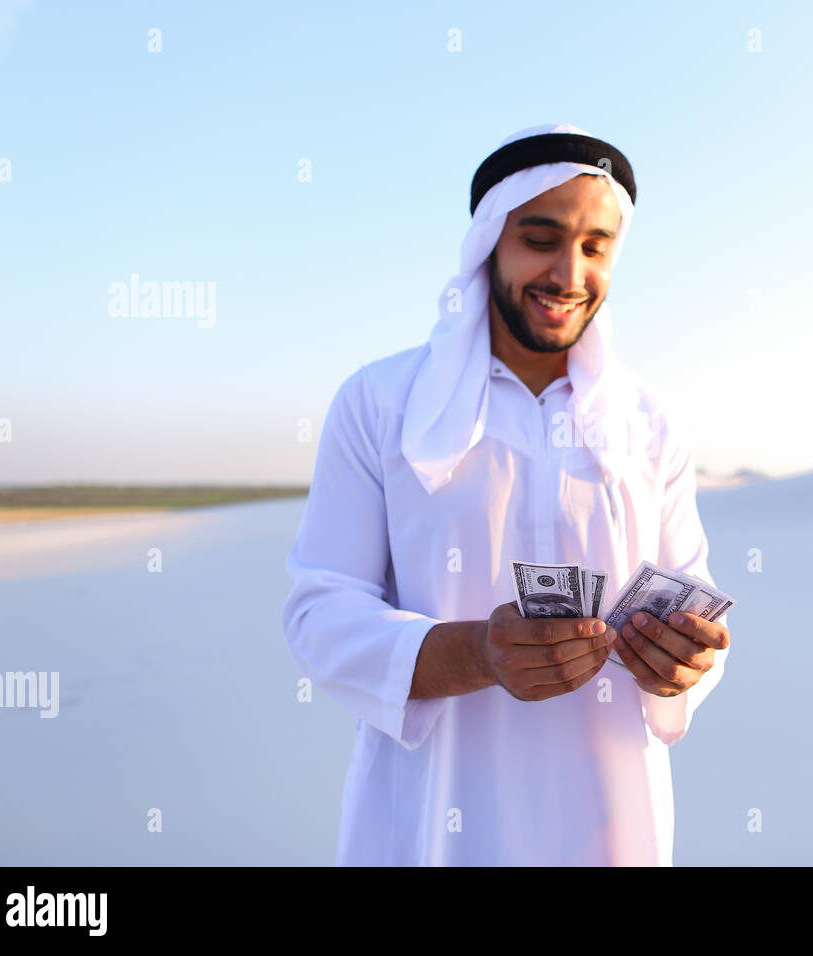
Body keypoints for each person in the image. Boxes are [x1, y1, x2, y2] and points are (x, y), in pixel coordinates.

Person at [281, 122, 731, 866]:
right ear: (490, 242)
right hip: (429, 822)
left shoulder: (650, 423)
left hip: (611, 822)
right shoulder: (381, 402)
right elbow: (319, 612)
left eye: (595, 247)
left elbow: (694, 593)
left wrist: (686, 659)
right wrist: (475, 654)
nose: (569, 273)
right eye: (542, 238)